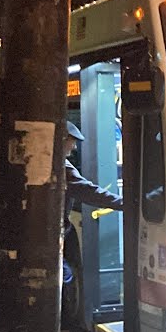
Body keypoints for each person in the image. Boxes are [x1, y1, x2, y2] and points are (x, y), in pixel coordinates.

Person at [62, 120, 123, 292]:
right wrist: (123, 203)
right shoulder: (62, 167)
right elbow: (88, 191)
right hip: (51, 236)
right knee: (66, 278)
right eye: (72, 141)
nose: (73, 148)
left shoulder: (50, 162)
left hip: (53, 234)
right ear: (62, 139)